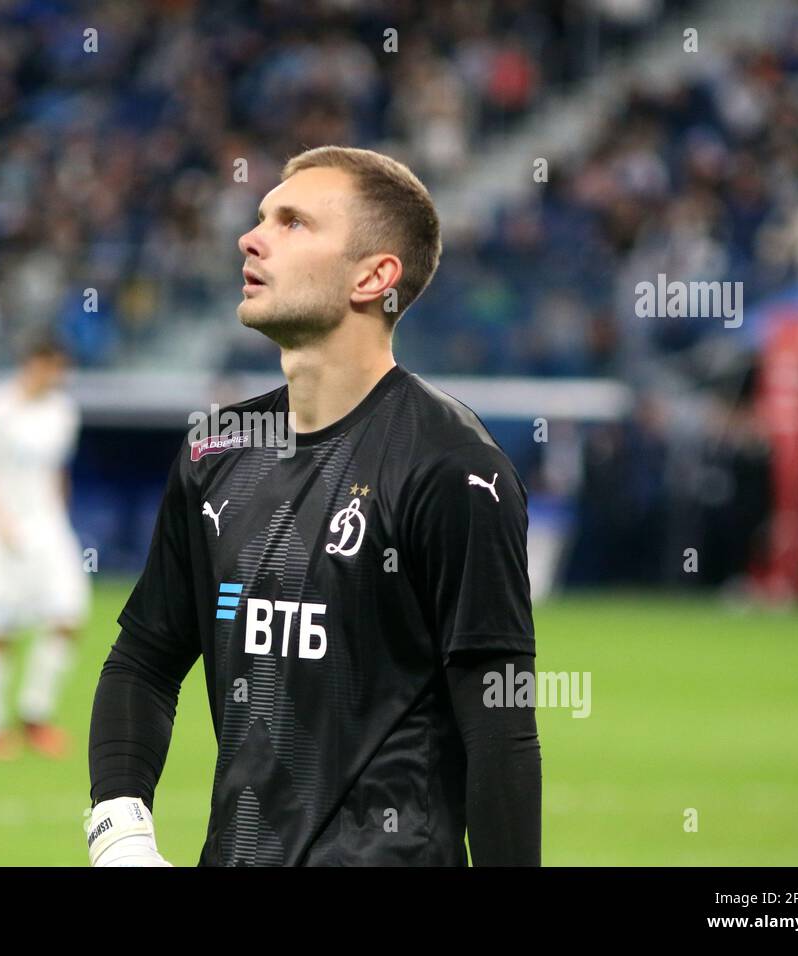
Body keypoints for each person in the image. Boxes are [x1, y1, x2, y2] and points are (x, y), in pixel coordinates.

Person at [86, 146, 541, 866]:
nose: (252, 235)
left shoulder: (453, 468)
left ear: (374, 276)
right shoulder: (216, 452)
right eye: (262, 215)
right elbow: (144, 659)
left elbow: (499, 726)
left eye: (294, 222)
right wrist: (119, 836)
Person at [0, 338, 89, 760]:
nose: (57, 376)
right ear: (31, 363)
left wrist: (56, 520)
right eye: (51, 366)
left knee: (69, 614)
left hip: (47, 528)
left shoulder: (64, 412)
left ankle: (35, 714)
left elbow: (57, 472)